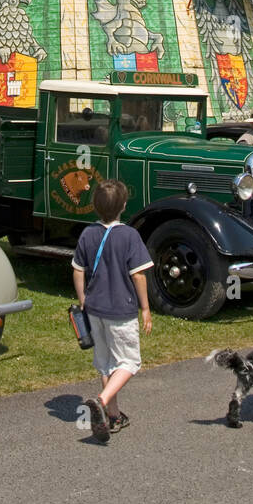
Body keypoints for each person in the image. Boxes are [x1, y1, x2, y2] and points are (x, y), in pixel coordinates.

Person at [72, 179, 153, 443]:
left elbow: (78, 269)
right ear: (124, 206)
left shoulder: (87, 234)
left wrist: (83, 298)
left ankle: (113, 415)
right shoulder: (129, 235)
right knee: (129, 362)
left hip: (95, 309)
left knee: (107, 364)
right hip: (121, 309)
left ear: (95, 206)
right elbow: (139, 276)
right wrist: (145, 308)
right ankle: (102, 400)